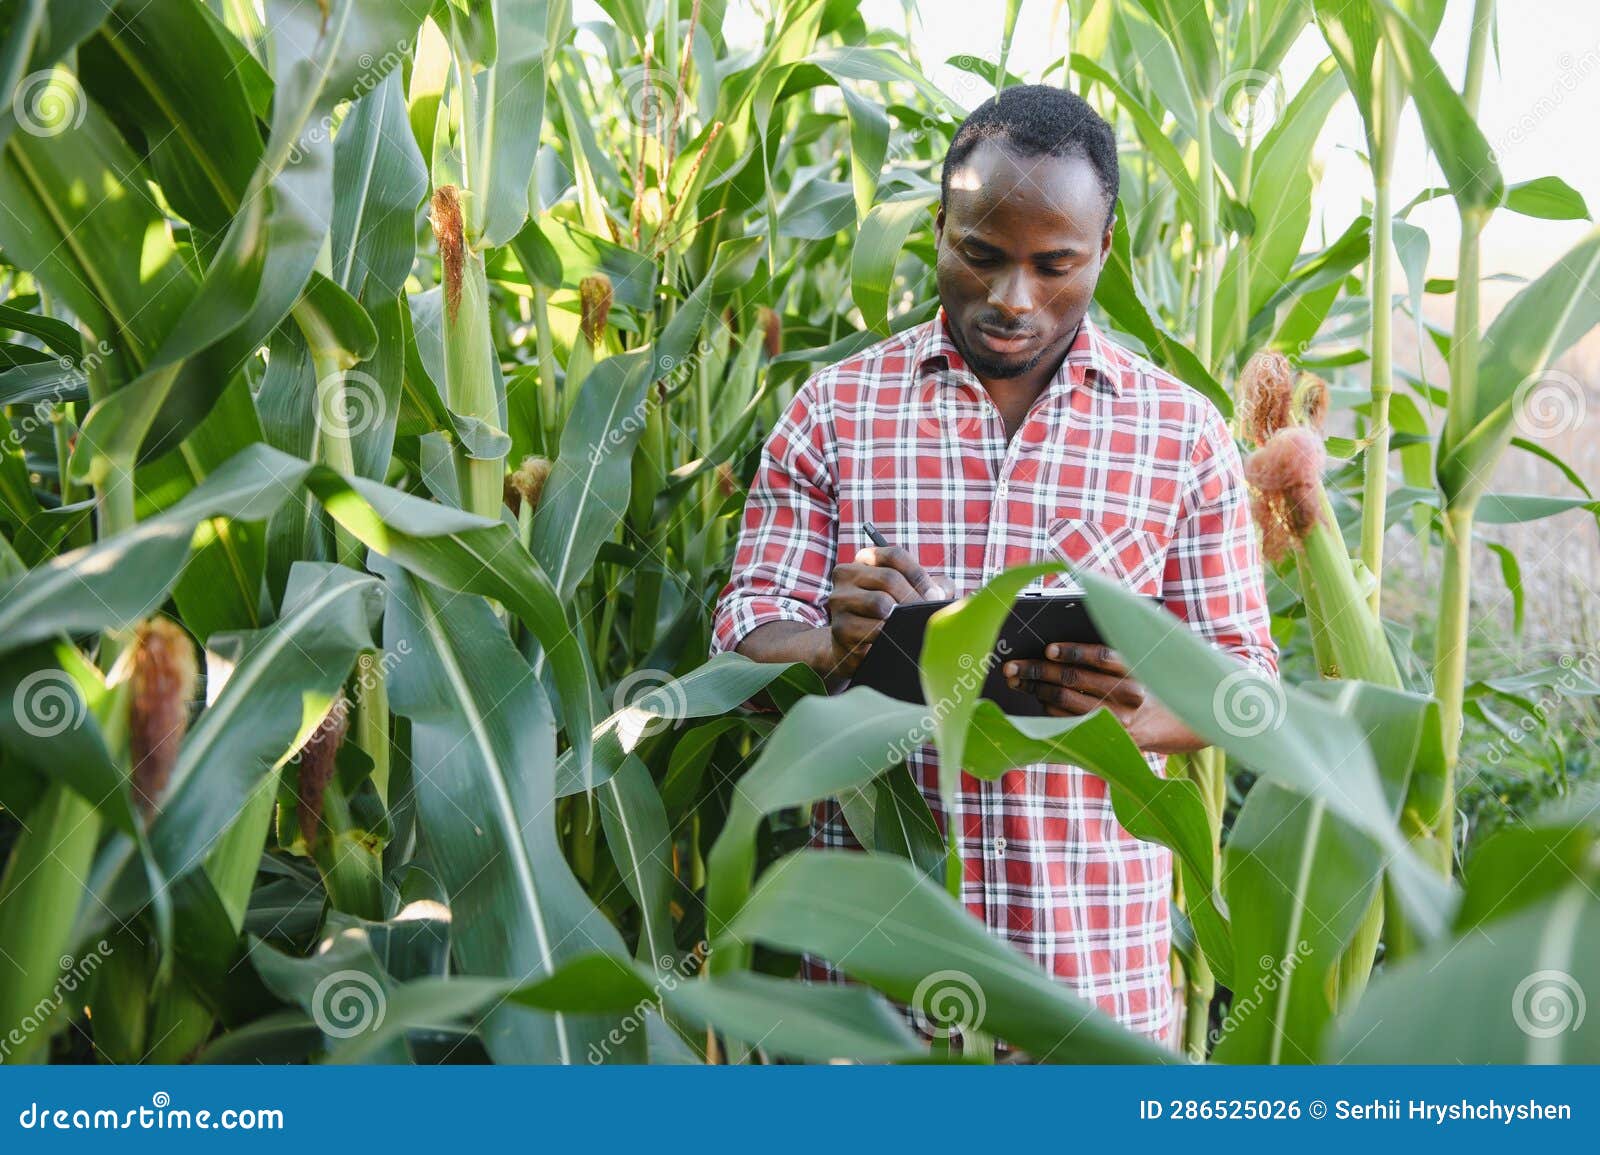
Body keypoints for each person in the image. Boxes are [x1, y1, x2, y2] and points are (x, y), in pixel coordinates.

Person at [709, 85, 1277, 1053]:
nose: (1012, 298)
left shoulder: (1182, 437)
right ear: (938, 229)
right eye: (980, 255)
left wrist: (1139, 705)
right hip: (868, 1006)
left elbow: (1247, 682)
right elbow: (739, 639)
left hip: (1089, 996)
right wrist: (828, 645)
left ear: (1104, 251)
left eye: (1053, 265)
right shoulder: (835, 412)